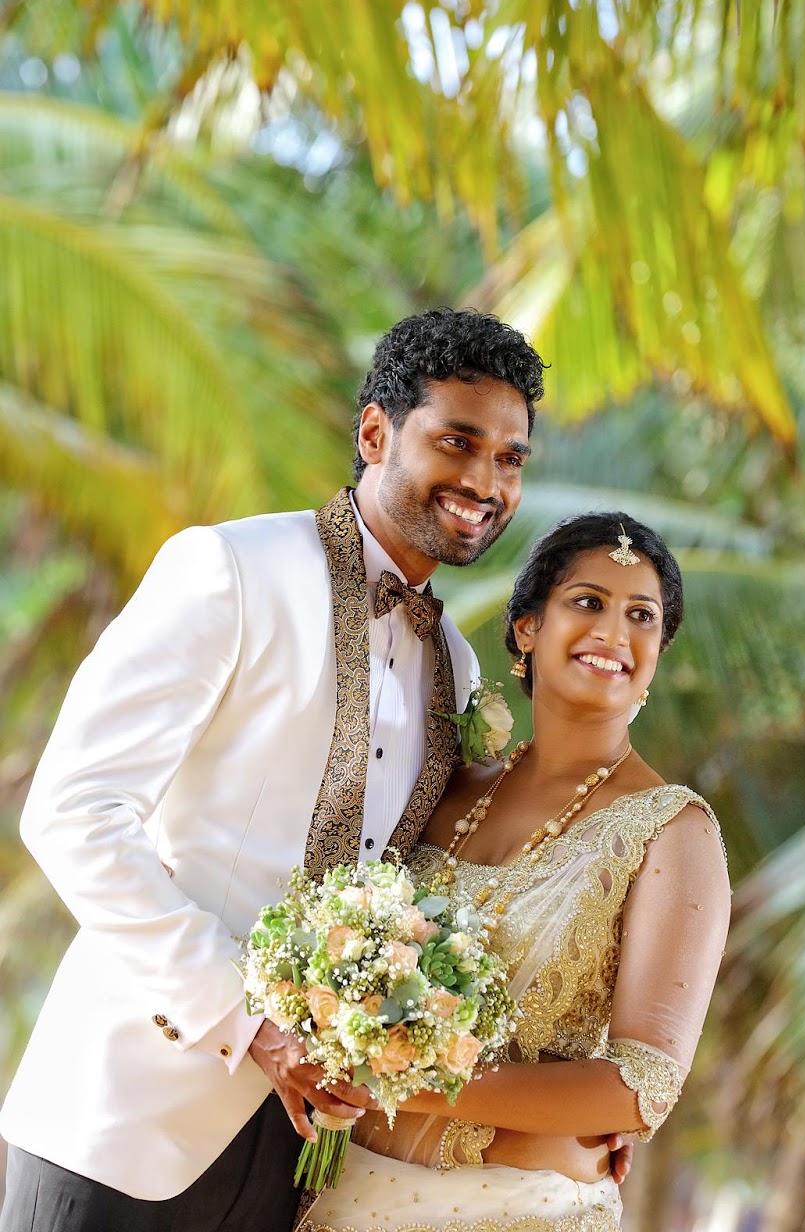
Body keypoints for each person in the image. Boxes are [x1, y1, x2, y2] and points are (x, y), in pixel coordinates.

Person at [0, 309, 582, 1232]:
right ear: (374, 433)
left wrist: (570, 1112)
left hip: (304, 1162)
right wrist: (250, 1022)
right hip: (125, 1122)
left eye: (509, 458)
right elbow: (72, 810)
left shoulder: (457, 668)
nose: (483, 481)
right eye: (457, 441)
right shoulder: (230, 569)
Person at [303, 512, 731, 1232]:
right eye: (587, 602)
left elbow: (640, 1085)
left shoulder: (671, 833)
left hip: (515, 1213)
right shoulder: (447, 785)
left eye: (642, 617)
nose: (613, 634)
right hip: (345, 1197)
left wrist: (407, 1083)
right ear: (528, 627)